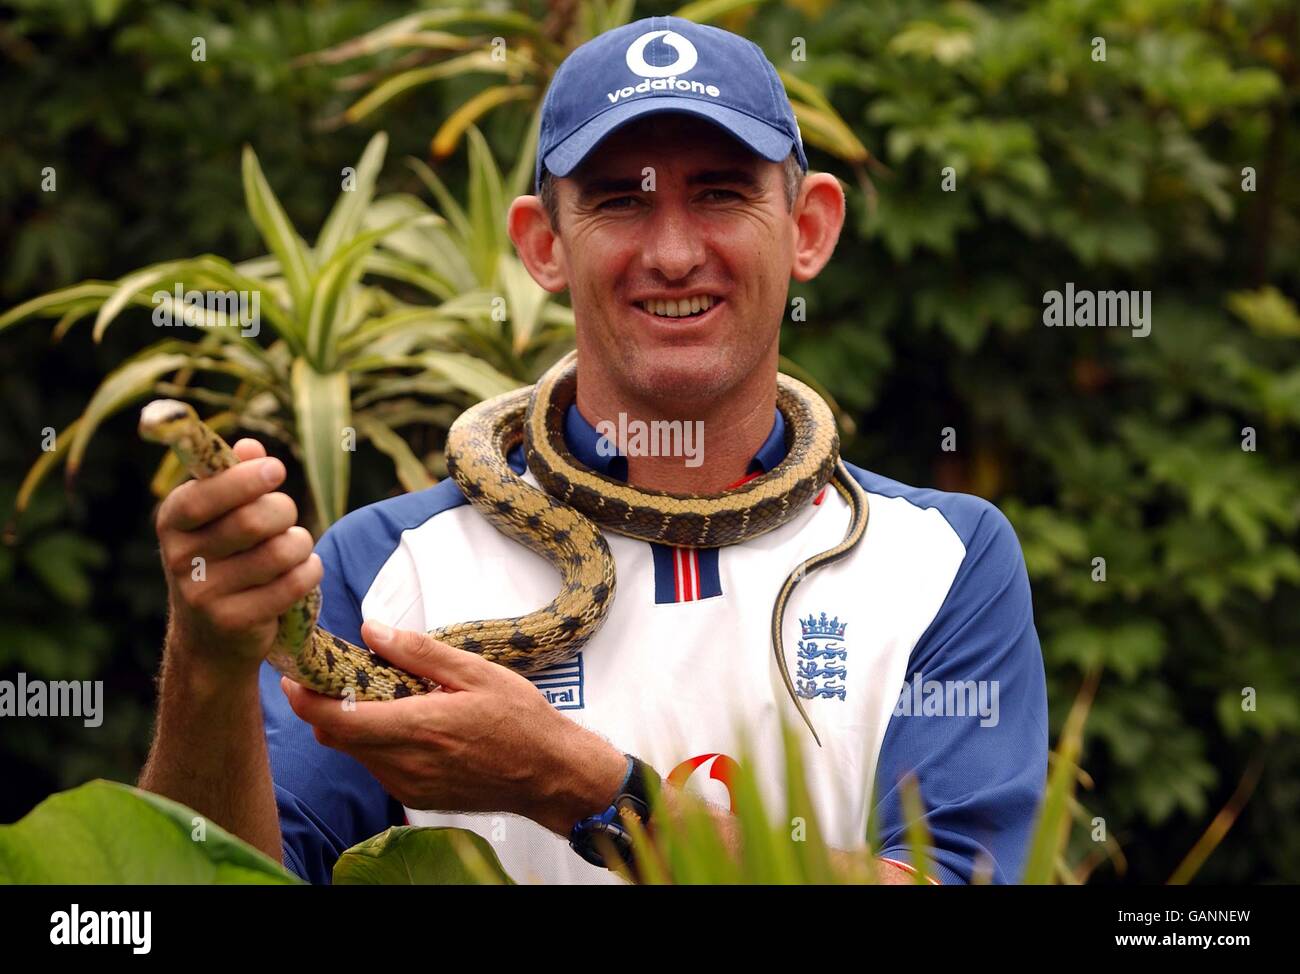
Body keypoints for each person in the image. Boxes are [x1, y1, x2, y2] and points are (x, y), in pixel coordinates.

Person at [139, 15, 1048, 885]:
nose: (676, 253)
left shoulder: (942, 563)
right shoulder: (382, 568)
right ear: (542, 245)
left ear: (809, 226)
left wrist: (581, 790)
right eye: (621, 202)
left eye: (721, 193)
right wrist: (208, 664)